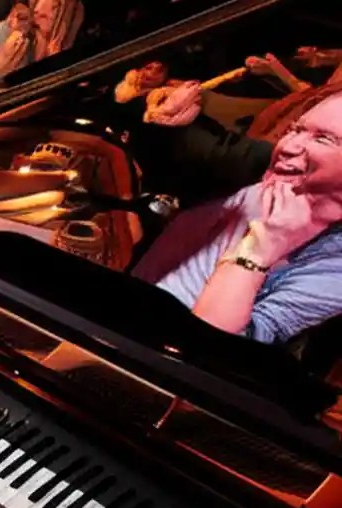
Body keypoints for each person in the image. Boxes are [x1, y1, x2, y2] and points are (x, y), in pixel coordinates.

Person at [132, 94, 342, 344]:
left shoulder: (335, 264)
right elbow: (184, 148)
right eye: (295, 129)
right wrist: (158, 115)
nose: (287, 146)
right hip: (123, 306)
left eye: (324, 139)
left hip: (156, 354)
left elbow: (211, 348)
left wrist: (258, 253)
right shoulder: (263, 169)